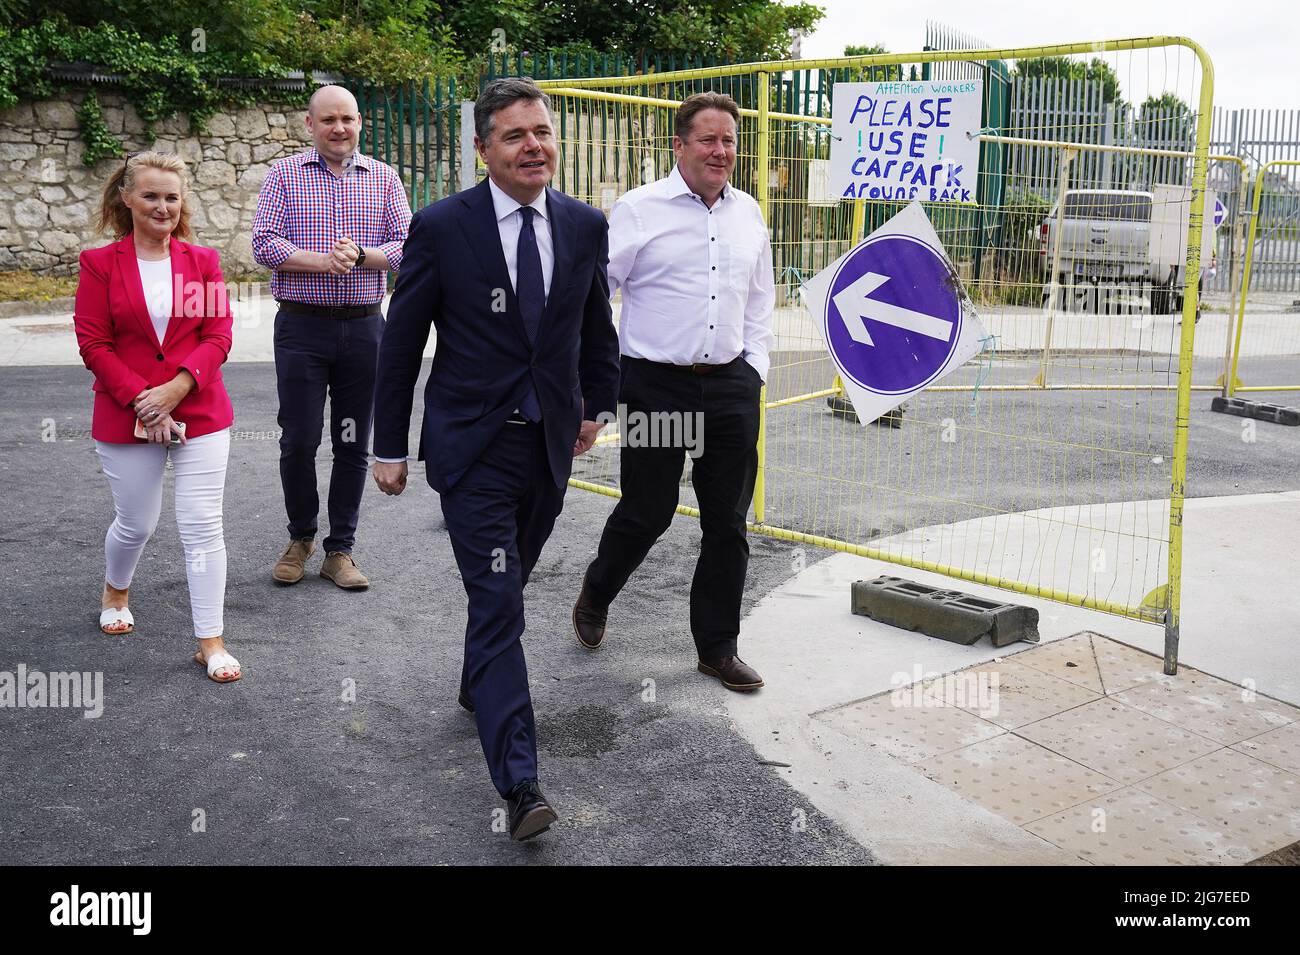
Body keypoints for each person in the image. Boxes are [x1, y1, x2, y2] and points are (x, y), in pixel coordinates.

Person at [371, 77, 619, 841]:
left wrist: (596, 406)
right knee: (500, 600)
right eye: (514, 135)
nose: (533, 145)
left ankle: (480, 680)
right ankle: (521, 783)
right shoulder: (443, 226)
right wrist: (386, 442)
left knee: (503, 593)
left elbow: (593, 325)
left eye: (541, 131)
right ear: (482, 149)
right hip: (471, 447)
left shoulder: (582, 225)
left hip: (547, 444)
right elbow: (403, 339)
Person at [571, 92, 776, 692]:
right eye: (708, 140)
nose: (721, 151)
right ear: (679, 145)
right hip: (657, 387)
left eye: (730, 140)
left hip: (732, 388)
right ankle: (597, 590)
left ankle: (717, 647)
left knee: (728, 522)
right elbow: (594, 299)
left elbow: (761, 299)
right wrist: (600, 382)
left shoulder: (748, 214)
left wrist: (755, 366)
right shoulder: (640, 210)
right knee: (648, 510)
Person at [74, 151, 240, 683]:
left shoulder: (203, 262)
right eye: (150, 195)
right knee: (137, 522)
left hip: (200, 407)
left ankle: (209, 641)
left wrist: (176, 389)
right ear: (127, 199)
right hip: (127, 411)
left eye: (171, 196)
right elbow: (93, 342)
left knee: (202, 525)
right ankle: (115, 590)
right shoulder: (100, 263)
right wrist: (145, 399)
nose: (162, 206)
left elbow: (218, 335)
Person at [252, 84, 412, 590]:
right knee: (298, 438)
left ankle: (340, 550)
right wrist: (322, 261)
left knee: (353, 441)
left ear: (360, 121)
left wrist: (362, 256)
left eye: (347, 118)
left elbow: (409, 246)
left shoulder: (385, 179)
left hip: (365, 327)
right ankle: (300, 537)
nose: (339, 128)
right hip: (302, 326)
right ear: (310, 125)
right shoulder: (283, 175)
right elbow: (263, 242)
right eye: (328, 120)